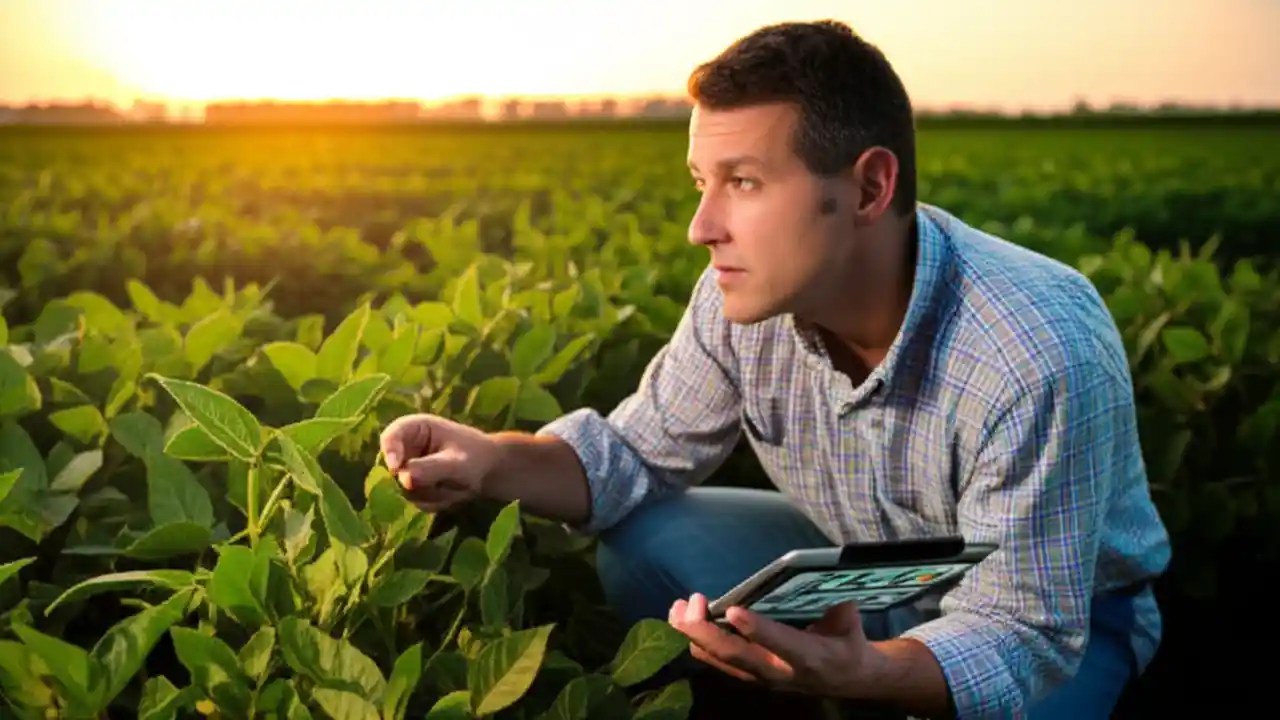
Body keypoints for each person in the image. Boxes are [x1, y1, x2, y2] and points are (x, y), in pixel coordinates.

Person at [378, 19, 1172, 720]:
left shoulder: (1032, 348)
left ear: (868, 187)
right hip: (862, 570)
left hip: (1063, 617)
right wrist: (488, 459)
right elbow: (630, 457)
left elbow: (1021, 632)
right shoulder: (740, 302)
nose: (701, 227)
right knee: (647, 537)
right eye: (702, 183)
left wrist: (868, 674)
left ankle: (845, 681)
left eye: (744, 183)